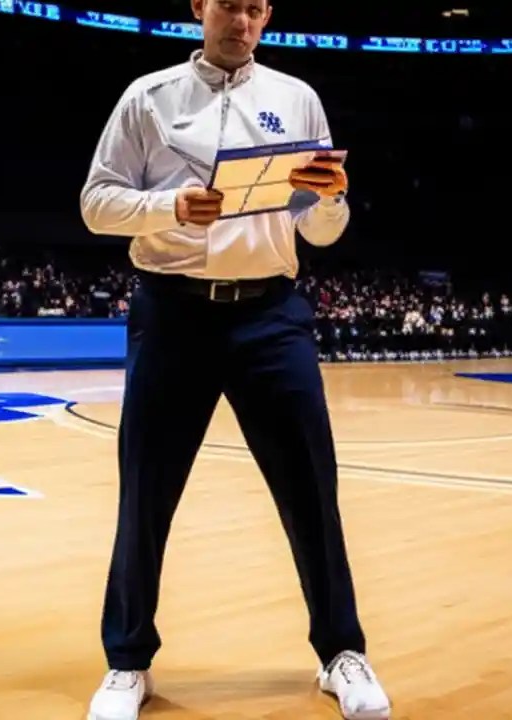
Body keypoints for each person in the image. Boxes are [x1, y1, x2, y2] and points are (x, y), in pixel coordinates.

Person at [78, 1, 391, 719]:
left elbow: (322, 229)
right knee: (145, 492)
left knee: (313, 493)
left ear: (267, 14)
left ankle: (342, 653)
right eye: (229, 5)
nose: (242, 21)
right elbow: (96, 203)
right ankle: (128, 663)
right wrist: (167, 208)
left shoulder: (296, 98)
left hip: (270, 316)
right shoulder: (147, 97)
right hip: (172, 312)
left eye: (254, 8)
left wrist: (335, 201)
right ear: (198, 8)